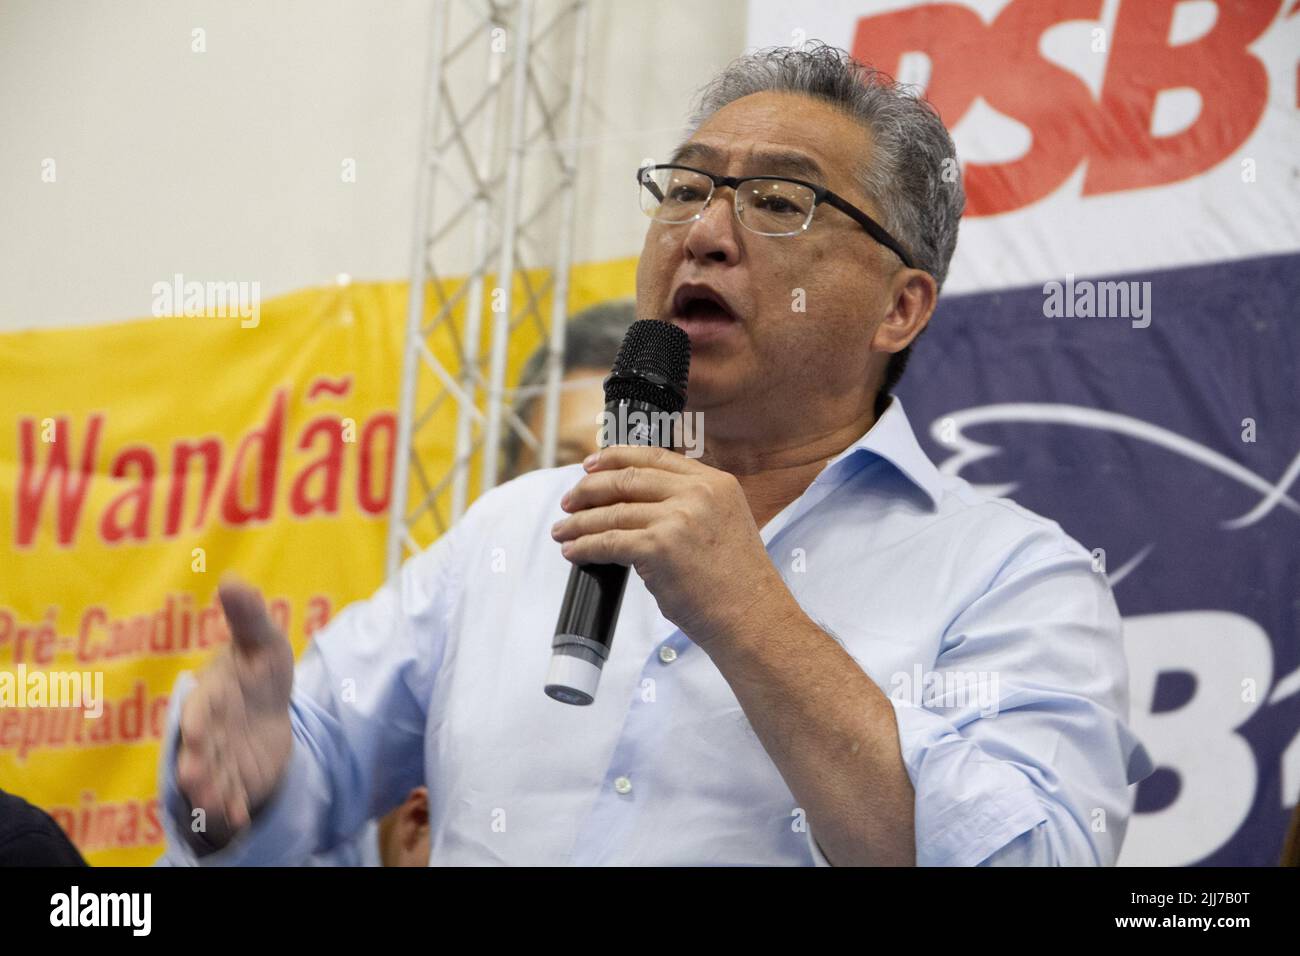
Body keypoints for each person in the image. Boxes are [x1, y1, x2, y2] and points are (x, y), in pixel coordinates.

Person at [158, 43, 1151, 866]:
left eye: (777, 202)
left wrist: (750, 613)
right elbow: (302, 781)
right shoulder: (514, 527)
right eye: (684, 189)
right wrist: (249, 782)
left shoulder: (1012, 576)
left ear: (900, 305)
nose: (705, 232)